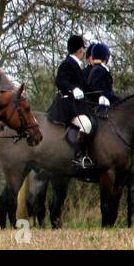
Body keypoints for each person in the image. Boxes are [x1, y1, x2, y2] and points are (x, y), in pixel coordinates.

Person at [45, 35, 92, 169]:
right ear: (80, 50)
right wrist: (73, 89)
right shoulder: (67, 63)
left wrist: (100, 96)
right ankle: (79, 157)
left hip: (77, 105)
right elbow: (60, 81)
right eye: (82, 48)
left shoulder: (77, 64)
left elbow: (86, 87)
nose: (83, 51)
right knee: (86, 125)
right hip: (67, 107)